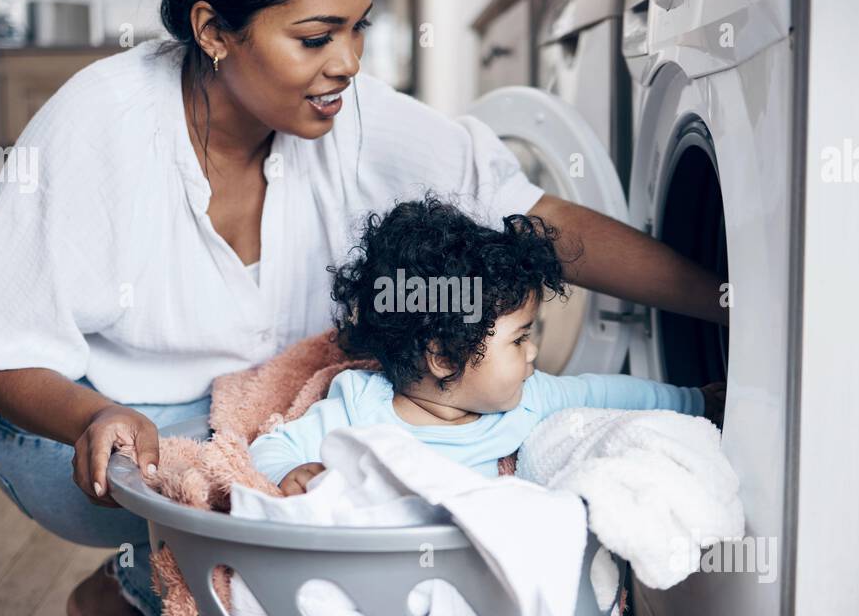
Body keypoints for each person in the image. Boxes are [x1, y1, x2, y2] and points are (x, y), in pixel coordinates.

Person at [0, 0, 728, 616]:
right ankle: (135, 576)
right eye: (315, 38)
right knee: (249, 473)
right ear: (214, 29)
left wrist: (726, 299)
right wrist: (93, 416)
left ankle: (148, 583)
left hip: (260, 412)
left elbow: (532, 218)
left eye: (358, 29)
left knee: (363, 426)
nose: (346, 63)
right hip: (75, 428)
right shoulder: (99, 128)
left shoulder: (354, 114)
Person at [250, 197, 725, 494]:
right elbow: (269, 448)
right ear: (444, 357)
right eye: (520, 338)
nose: (532, 353)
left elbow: (604, 395)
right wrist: (295, 472)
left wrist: (695, 401)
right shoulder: (358, 407)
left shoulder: (529, 401)